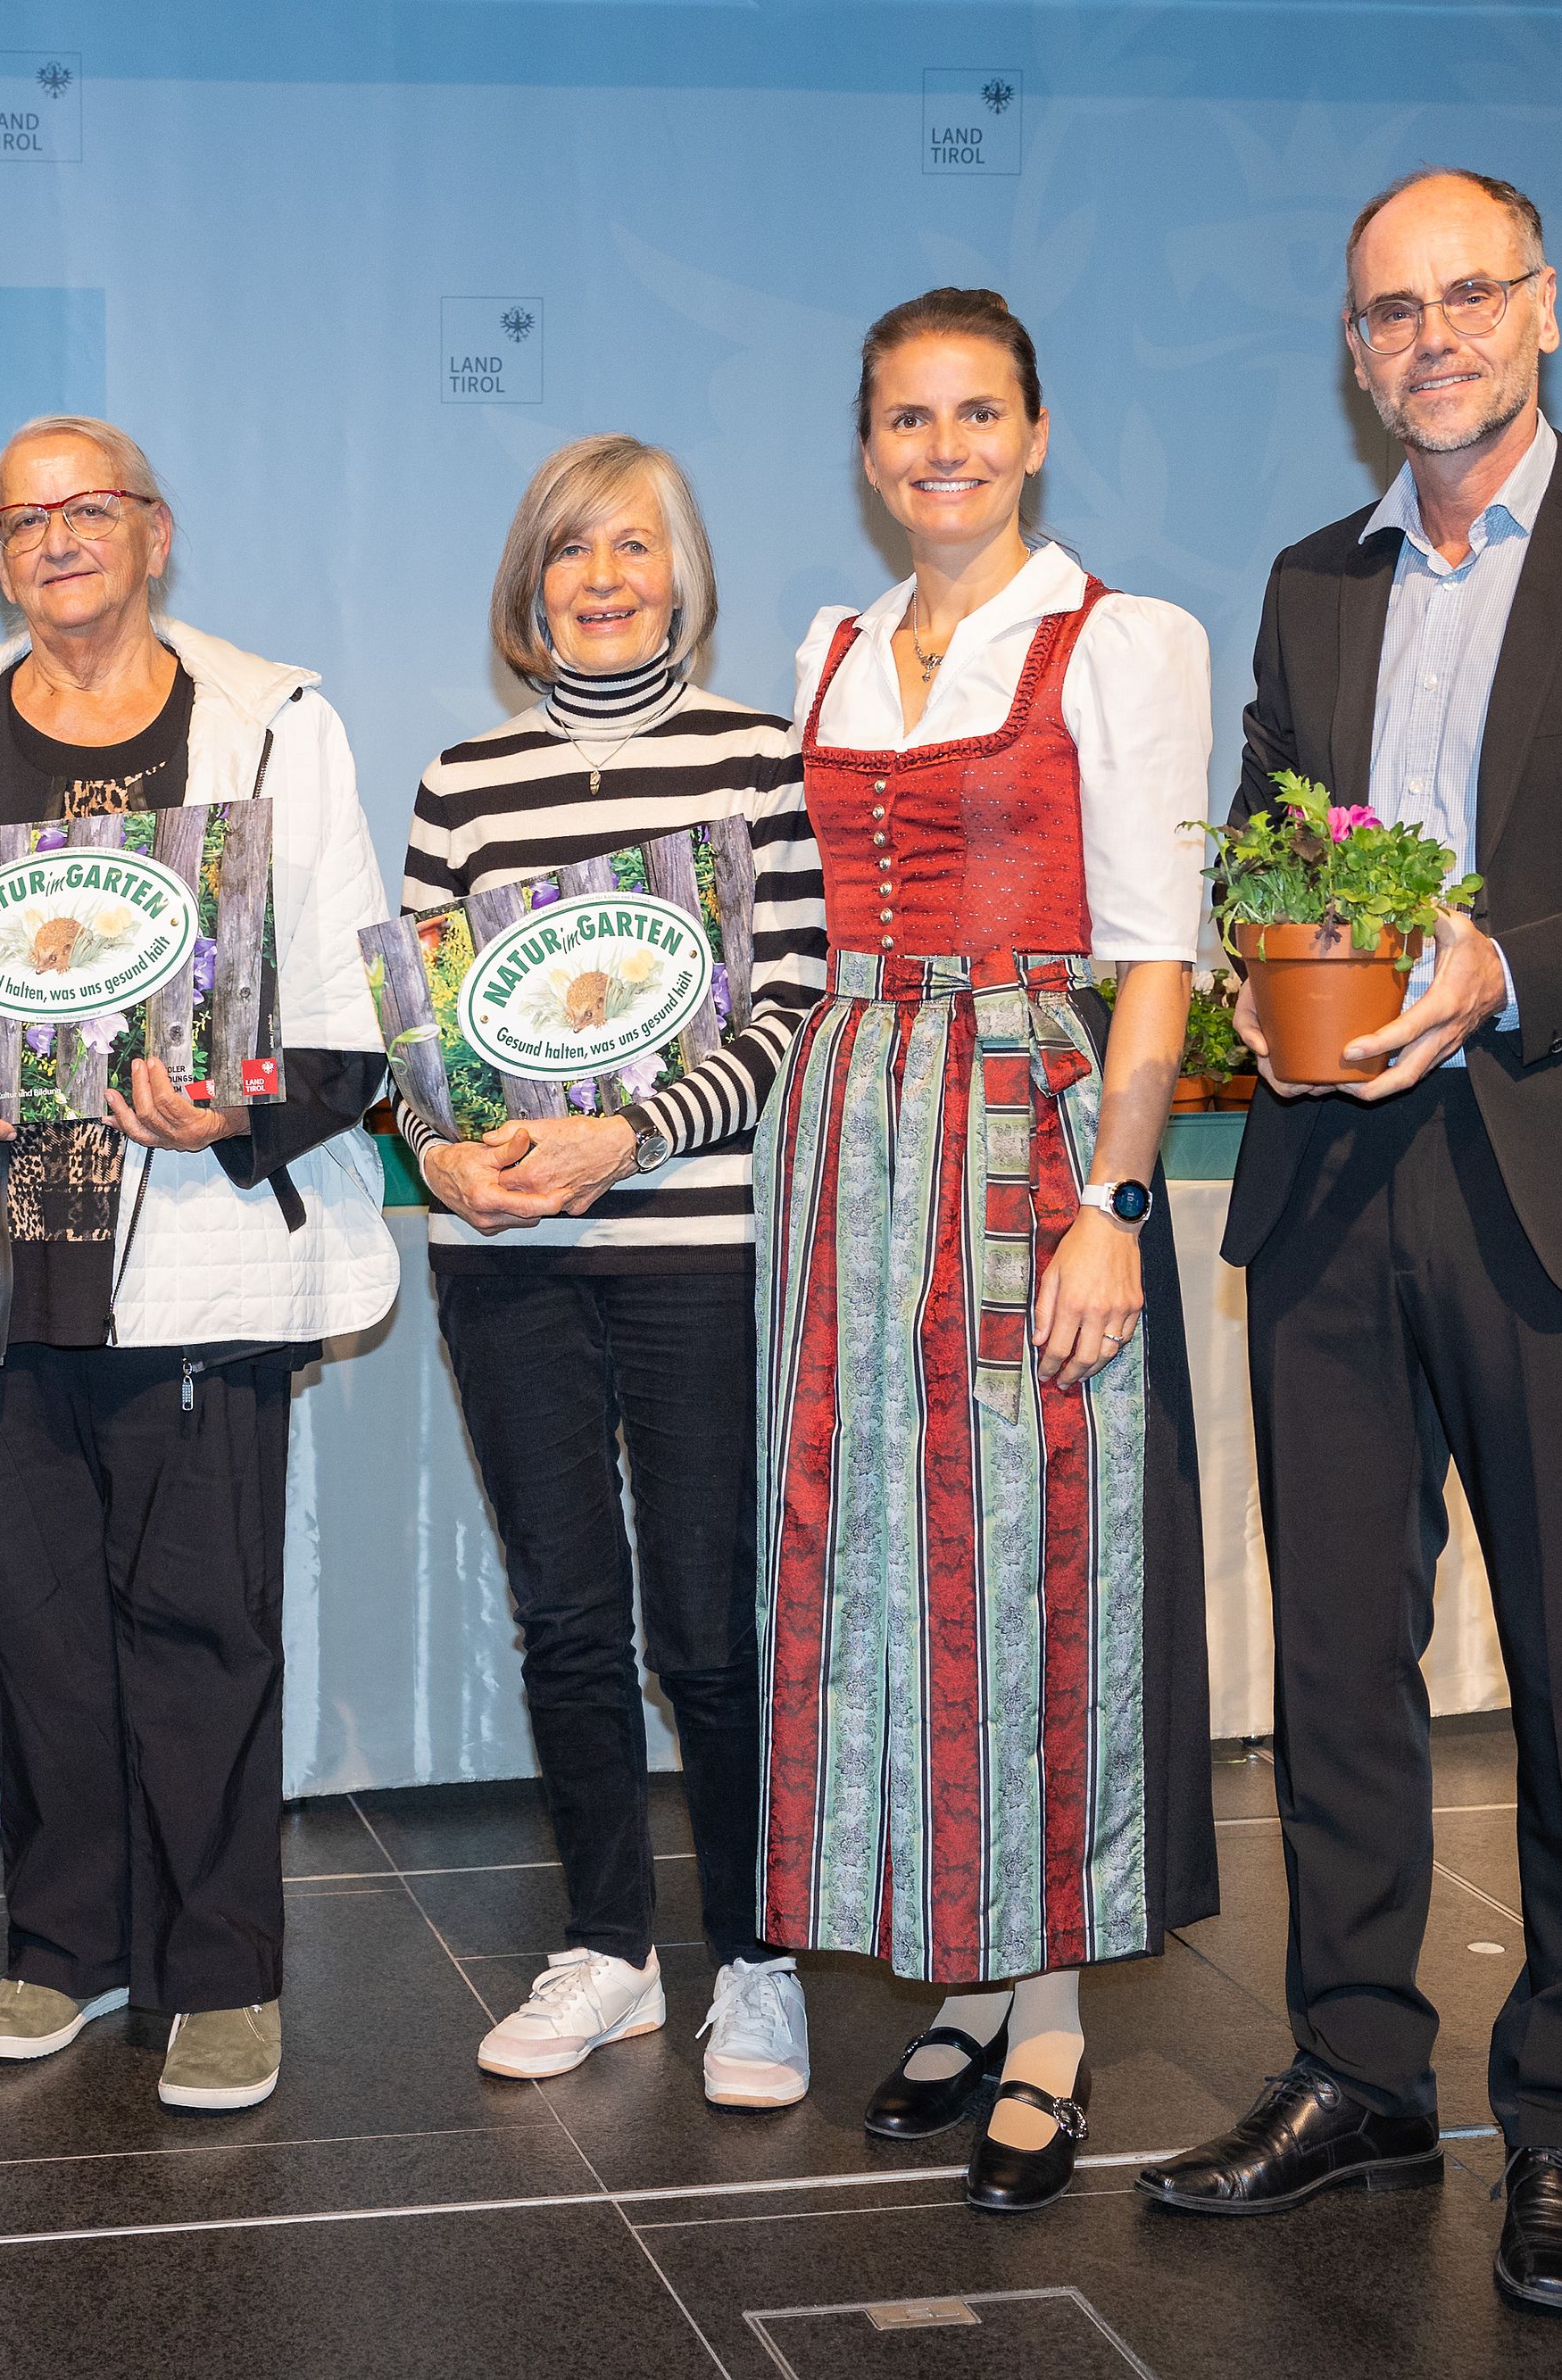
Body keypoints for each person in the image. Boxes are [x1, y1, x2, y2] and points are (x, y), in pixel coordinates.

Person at [1134, 170, 1562, 2317]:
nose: (1424, 338)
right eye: (1383, 313)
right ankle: (1352, 2067)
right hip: (1335, 1188)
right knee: (1334, 1664)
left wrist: (1501, 967)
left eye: (1461, 297)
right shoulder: (1304, 582)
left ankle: (1558, 2117)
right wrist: (1265, 973)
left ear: (1539, 311)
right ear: (1352, 356)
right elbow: (1267, 822)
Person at [499, 291, 1221, 2213]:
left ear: (1035, 430)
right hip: (841, 1131)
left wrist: (1113, 1204)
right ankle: (964, 1976)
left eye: (973, 413)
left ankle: (1051, 2005)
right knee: (888, 1562)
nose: (939, 450)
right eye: (905, 419)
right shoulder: (829, 648)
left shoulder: (1120, 640)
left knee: (1039, 1556)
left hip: (1020, 1114)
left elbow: (1154, 952)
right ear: (865, 446)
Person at [0, 415, 395, 2116]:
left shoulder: (272, 723)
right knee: (36, 1624)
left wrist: (239, 1100)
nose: (56, 540)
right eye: (22, 519)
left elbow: (354, 995)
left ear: (155, 531)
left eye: (88, 510)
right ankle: (63, 1945)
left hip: (195, 1258)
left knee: (201, 1627)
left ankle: (217, 1975)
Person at [391, 436, 812, 2106]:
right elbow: (419, 1033)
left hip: (692, 1250)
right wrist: (435, 1150)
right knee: (566, 1617)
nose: (603, 578)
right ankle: (610, 1956)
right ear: (529, 584)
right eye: (571, 551)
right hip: (505, 1258)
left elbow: (789, 1011)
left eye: (635, 547)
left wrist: (625, 1138)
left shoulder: (754, 759)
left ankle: (759, 1964)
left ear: (682, 574)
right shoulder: (461, 779)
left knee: (710, 1628)